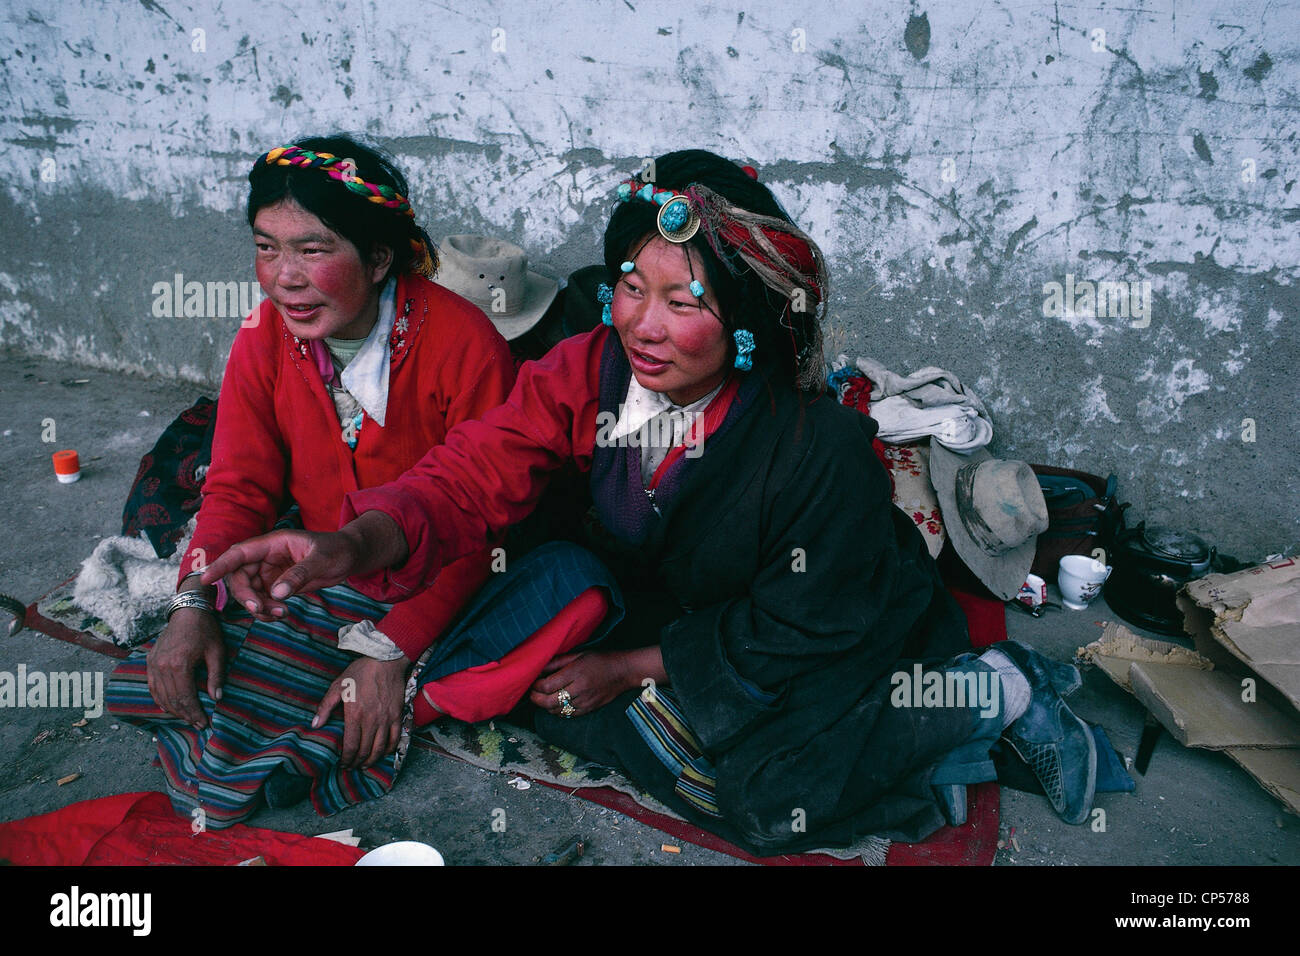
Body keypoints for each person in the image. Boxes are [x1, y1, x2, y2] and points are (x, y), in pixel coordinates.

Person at [204, 150, 1098, 853]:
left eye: (684, 300)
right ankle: (905, 746)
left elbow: (794, 624)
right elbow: (468, 473)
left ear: (746, 320)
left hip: (816, 628)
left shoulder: (814, 452)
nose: (644, 324)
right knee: (526, 669)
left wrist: (633, 666)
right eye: (632, 289)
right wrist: (349, 547)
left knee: (768, 797)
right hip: (674, 609)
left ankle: (997, 696)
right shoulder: (586, 370)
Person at [106, 136, 620, 829]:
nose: (284, 276)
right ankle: (364, 704)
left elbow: (483, 522)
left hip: (448, 575)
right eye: (266, 248)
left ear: (379, 259)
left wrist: (388, 652)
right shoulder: (263, 336)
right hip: (326, 567)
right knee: (194, 665)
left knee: (573, 588)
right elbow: (237, 489)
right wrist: (192, 603)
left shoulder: (465, 344)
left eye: (313, 250)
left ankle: (405, 695)